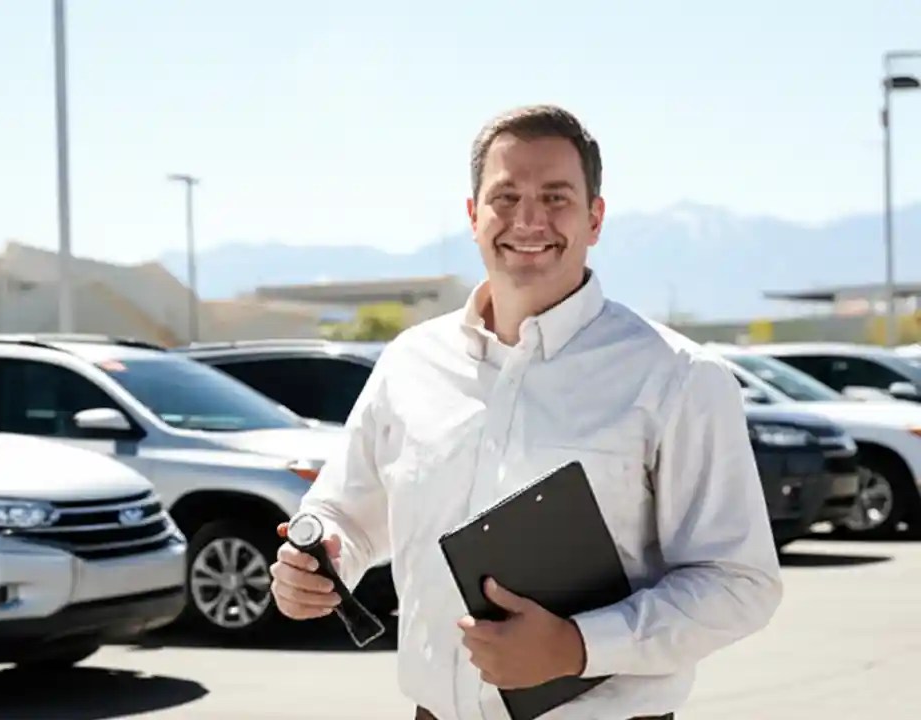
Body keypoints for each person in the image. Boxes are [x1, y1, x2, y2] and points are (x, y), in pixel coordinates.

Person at [269, 104, 783, 720]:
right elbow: (345, 514)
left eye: (556, 196)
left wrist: (577, 647)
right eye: (506, 196)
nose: (529, 219)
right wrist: (318, 561)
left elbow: (739, 583)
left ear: (595, 218)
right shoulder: (410, 362)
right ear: (473, 215)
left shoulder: (678, 377)